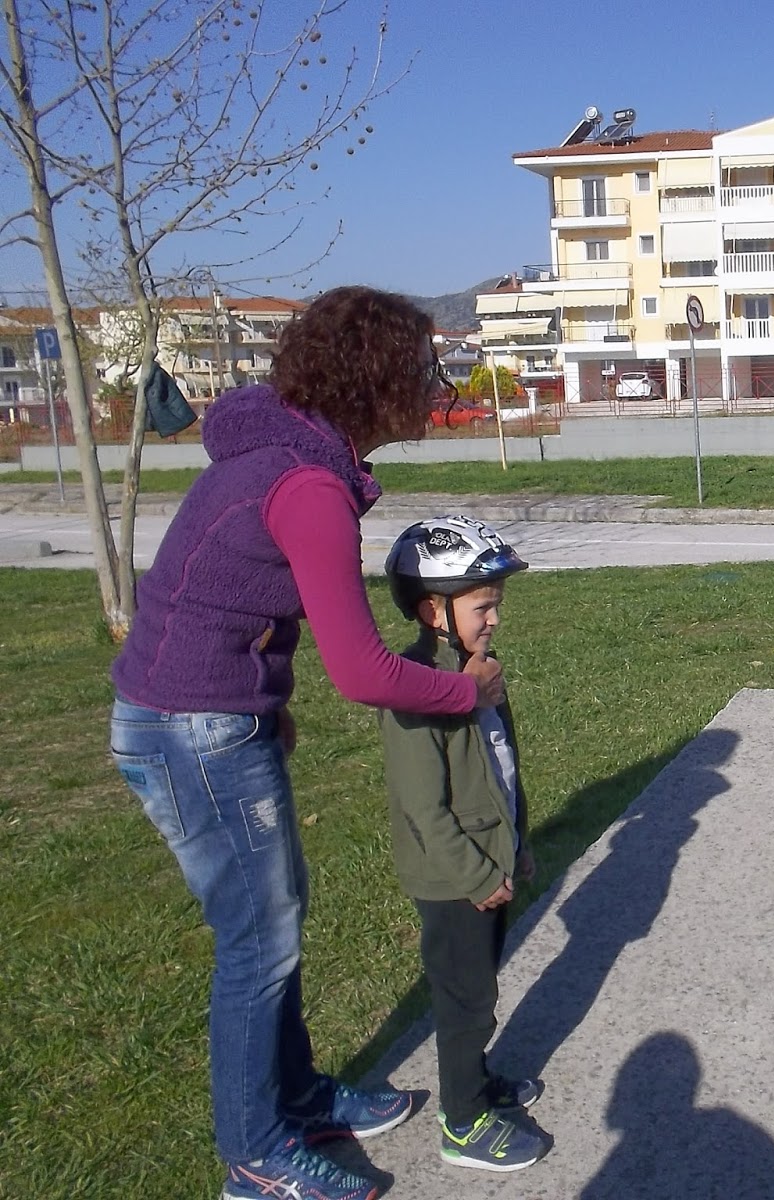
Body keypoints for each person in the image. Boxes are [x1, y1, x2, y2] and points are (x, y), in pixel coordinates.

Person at [108, 288, 508, 1200]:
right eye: (418, 366)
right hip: (192, 729)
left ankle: (294, 1096)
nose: (429, 381)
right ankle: (255, 1157)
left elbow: (236, 596)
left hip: (211, 715)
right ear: (376, 379)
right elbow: (364, 670)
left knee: (270, 923)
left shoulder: (287, 446)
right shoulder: (310, 485)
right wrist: (463, 687)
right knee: (258, 942)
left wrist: (260, 694)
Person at [380, 517, 552, 1173]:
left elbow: (503, 771)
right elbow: (424, 806)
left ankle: (474, 1087)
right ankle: (460, 1125)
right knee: (464, 999)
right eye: (484, 606)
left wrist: (519, 844)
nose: (495, 619)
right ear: (433, 609)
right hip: (454, 879)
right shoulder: (411, 687)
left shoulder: (480, 674)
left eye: (497, 605)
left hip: (491, 863)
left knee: (480, 991)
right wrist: (477, 875)